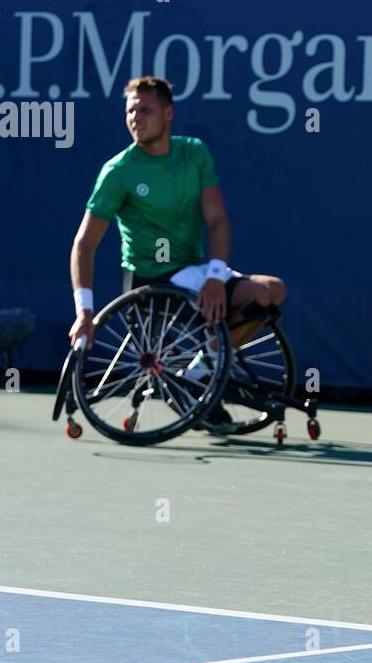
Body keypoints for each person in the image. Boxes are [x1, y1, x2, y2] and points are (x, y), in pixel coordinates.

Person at [68, 76, 287, 433]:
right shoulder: (119, 172)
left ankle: (197, 374)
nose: (135, 118)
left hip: (193, 271)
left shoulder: (194, 152)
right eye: (130, 111)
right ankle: (202, 379)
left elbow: (217, 220)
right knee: (253, 297)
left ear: (168, 114)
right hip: (151, 281)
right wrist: (85, 311)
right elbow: (84, 244)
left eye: (145, 110)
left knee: (271, 291)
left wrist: (216, 277)